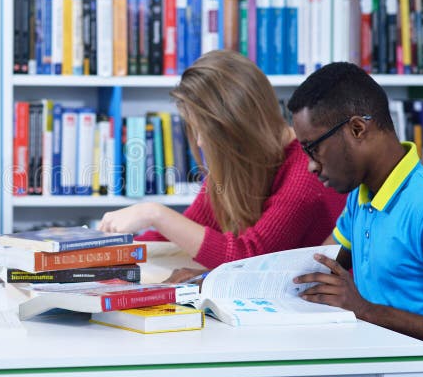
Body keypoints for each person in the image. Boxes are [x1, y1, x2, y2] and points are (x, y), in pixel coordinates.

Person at [287, 62, 423, 377]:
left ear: (358, 128)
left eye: (313, 148)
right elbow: (312, 268)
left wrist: (368, 311)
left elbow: (363, 310)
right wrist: (216, 282)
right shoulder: (361, 197)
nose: (309, 166)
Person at [98, 50, 347, 280]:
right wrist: (100, 252)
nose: (199, 141)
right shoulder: (243, 162)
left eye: (203, 131)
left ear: (236, 127)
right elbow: (182, 233)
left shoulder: (306, 173)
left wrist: (153, 213)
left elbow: (249, 259)